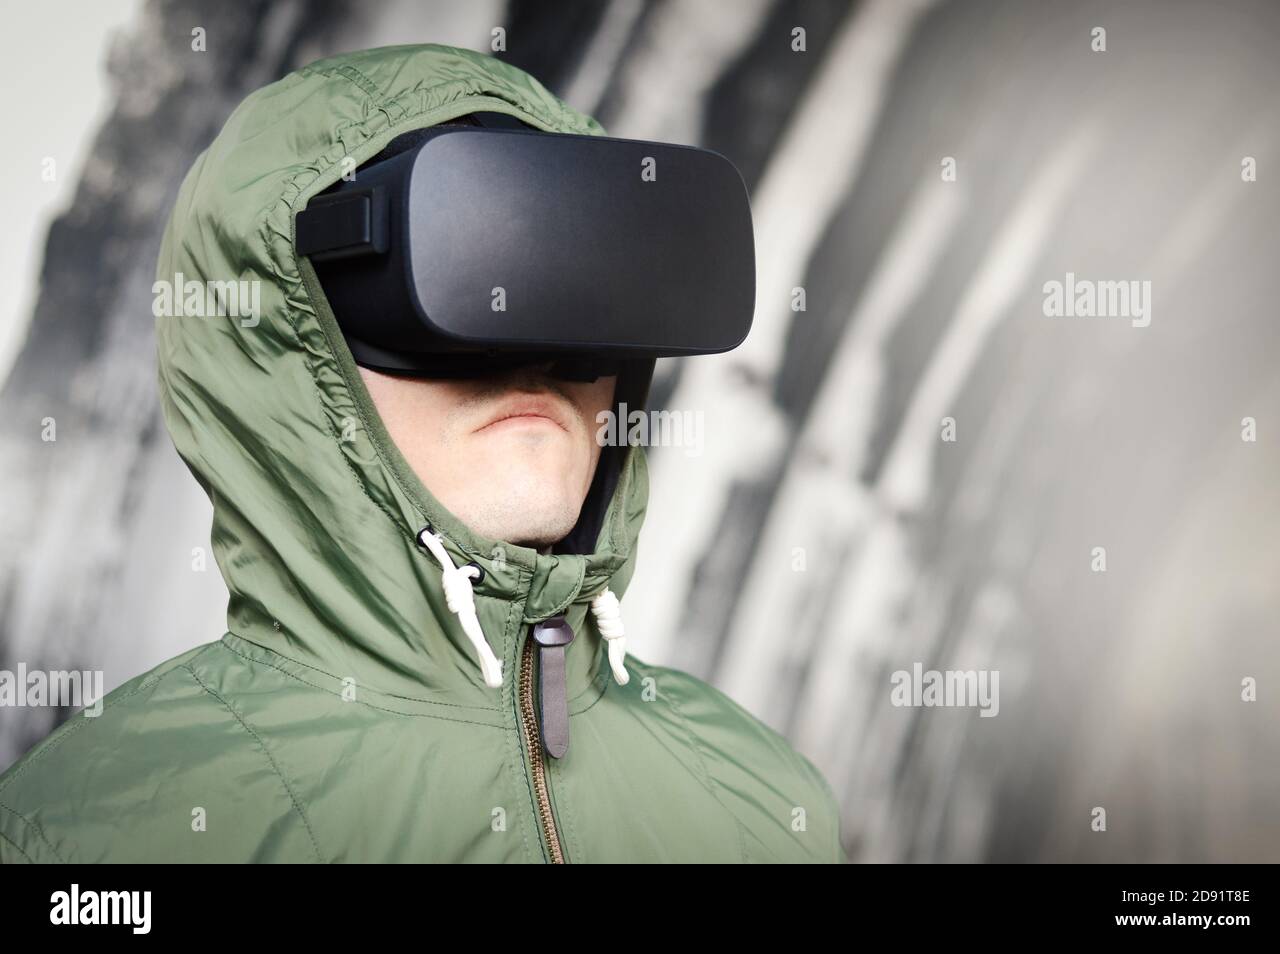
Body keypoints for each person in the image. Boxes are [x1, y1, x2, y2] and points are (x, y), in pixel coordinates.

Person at [0, 43, 844, 863]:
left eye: (577, 282)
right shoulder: (90, 836)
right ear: (287, 343)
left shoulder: (766, 804)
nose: (537, 353)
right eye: (464, 270)